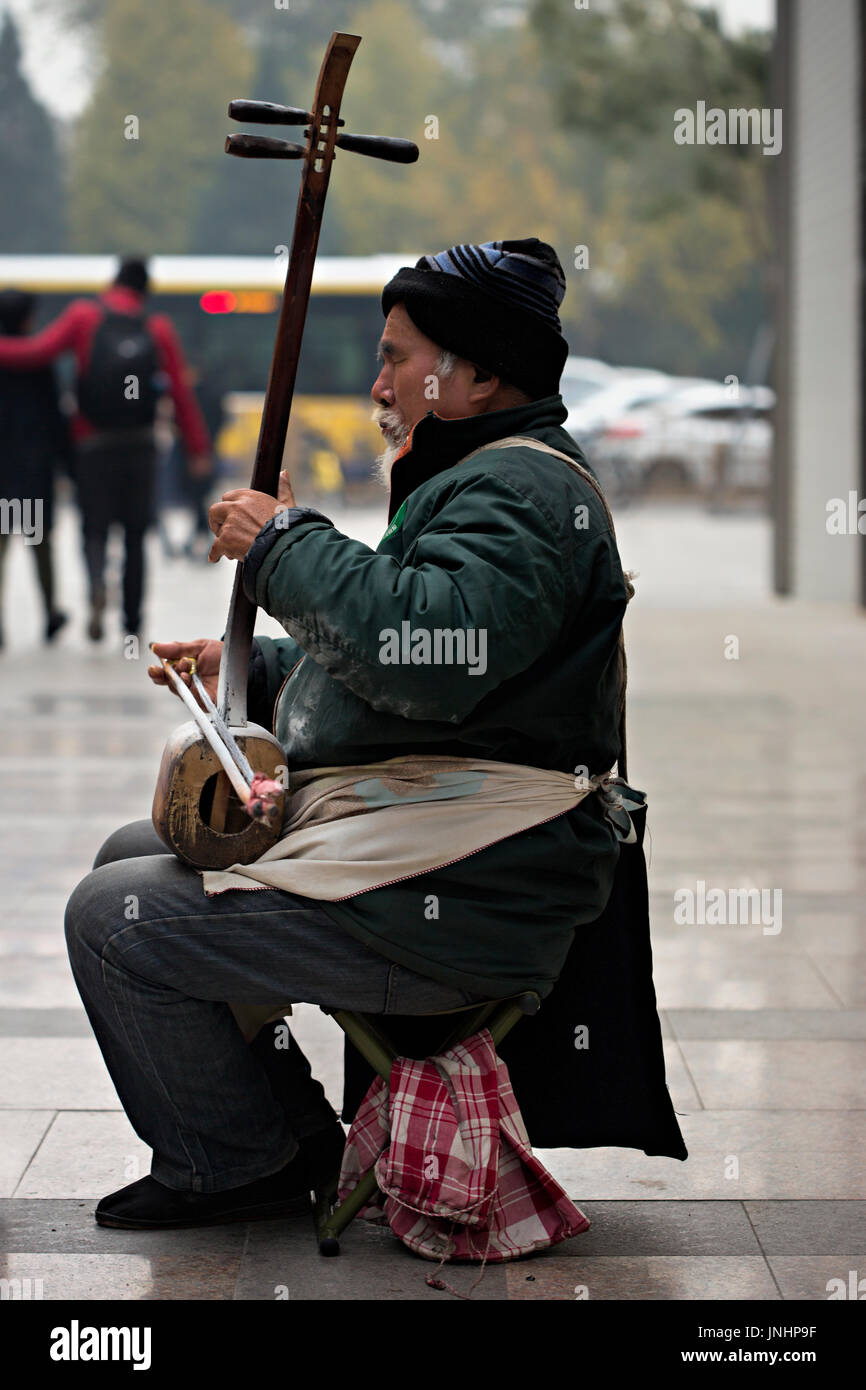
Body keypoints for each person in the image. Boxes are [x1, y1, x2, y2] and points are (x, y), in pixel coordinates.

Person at [64, 239, 633, 1231]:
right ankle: (283, 1138)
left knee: (118, 921)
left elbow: (428, 653)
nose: (377, 383)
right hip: (442, 848)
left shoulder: (523, 495)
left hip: (472, 886)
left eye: (395, 356)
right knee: (132, 855)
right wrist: (255, 666)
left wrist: (285, 542)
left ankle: (232, 1160)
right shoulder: (481, 479)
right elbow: (397, 674)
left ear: (478, 373)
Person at [0, 258, 210, 640]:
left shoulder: (84, 317)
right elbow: (180, 392)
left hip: (94, 444)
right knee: (135, 535)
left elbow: (35, 352)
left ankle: (97, 586)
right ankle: (132, 622)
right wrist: (197, 448)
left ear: (114, 281)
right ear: (145, 291)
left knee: (94, 529)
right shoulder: (157, 327)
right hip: (141, 445)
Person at [0, 289, 71, 648]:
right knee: (40, 544)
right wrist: (70, 467)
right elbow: (55, 420)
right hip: (32, 472)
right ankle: (49, 613)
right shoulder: (37, 362)